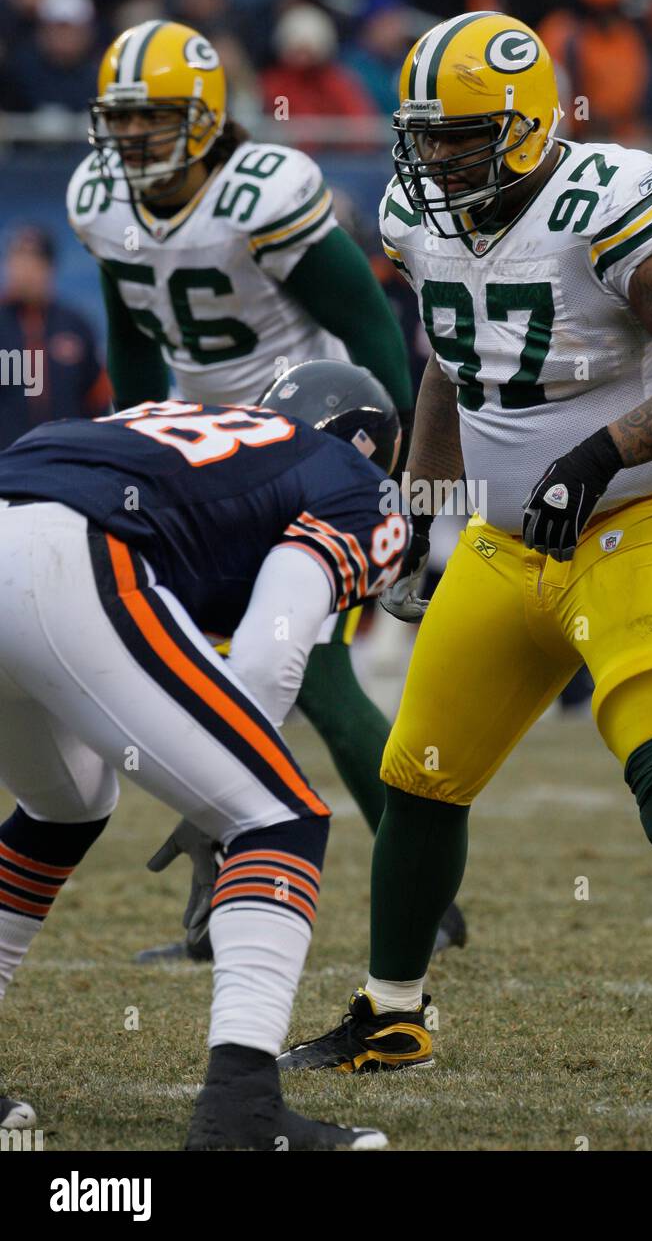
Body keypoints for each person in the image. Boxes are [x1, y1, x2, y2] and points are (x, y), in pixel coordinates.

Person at [280, 12, 652, 1094]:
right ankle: (391, 1015)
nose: (436, 157)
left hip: (645, 513)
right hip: (505, 540)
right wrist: (420, 511)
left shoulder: (605, 200)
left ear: (530, 126)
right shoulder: (424, 215)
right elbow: (450, 363)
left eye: (462, 135)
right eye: (426, 135)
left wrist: (601, 452)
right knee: (420, 773)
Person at [67, 17, 465, 960]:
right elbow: (132, 331)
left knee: (316, 682)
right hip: (200, 456)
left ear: (206, 120)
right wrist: (137, 442)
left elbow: (369, 321)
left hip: (298, 443)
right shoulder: (103, 201)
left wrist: (385, 466)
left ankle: (425, 895)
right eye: (118, 122)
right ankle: (221, 909)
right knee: (202, 681)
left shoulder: (260, 193)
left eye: (152, 119)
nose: (129, 141)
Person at [0, 360, 405, 1149]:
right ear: (370, 447)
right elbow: (267, 648)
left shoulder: (192, 426)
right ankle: (241, 1112)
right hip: (68, 553)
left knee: (70, 800)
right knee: (278, 814)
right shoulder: (354, 480)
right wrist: (221, 805)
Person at [0, 225, 111, 451]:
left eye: (33, 262)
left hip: (66, 463)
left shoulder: (75, 325)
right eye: (17, 261)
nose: (24, 271)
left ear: (49, 268)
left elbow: (98, 399)